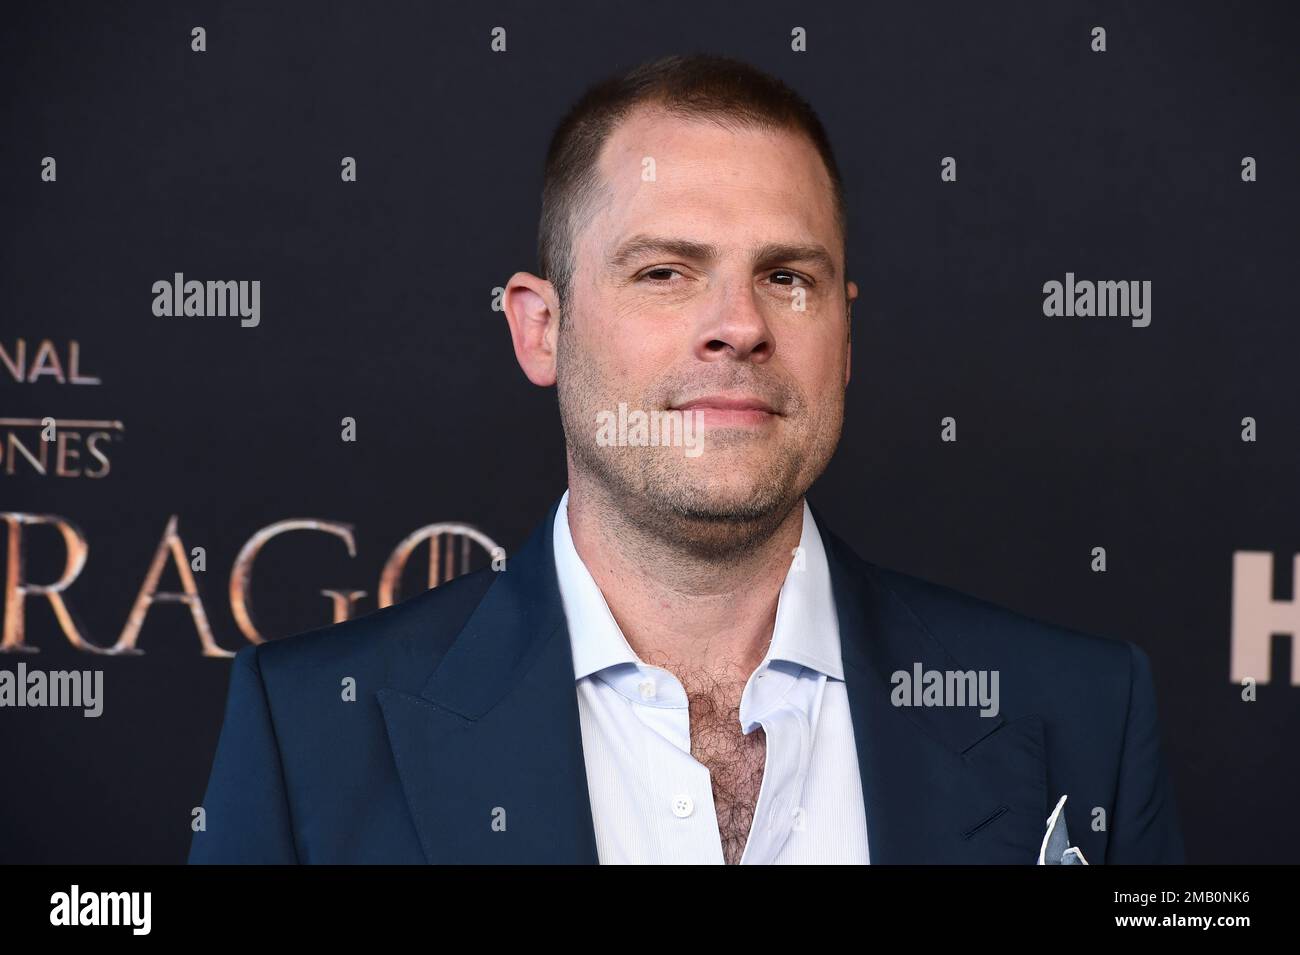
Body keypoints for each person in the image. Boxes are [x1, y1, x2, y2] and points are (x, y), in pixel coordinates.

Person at [189, 53, 1184, 864]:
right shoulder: (311, 737)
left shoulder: (1080, 715)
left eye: (787, 277)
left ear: (844, 336)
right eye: (665, 271)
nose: (739, 326)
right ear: (541, 330)